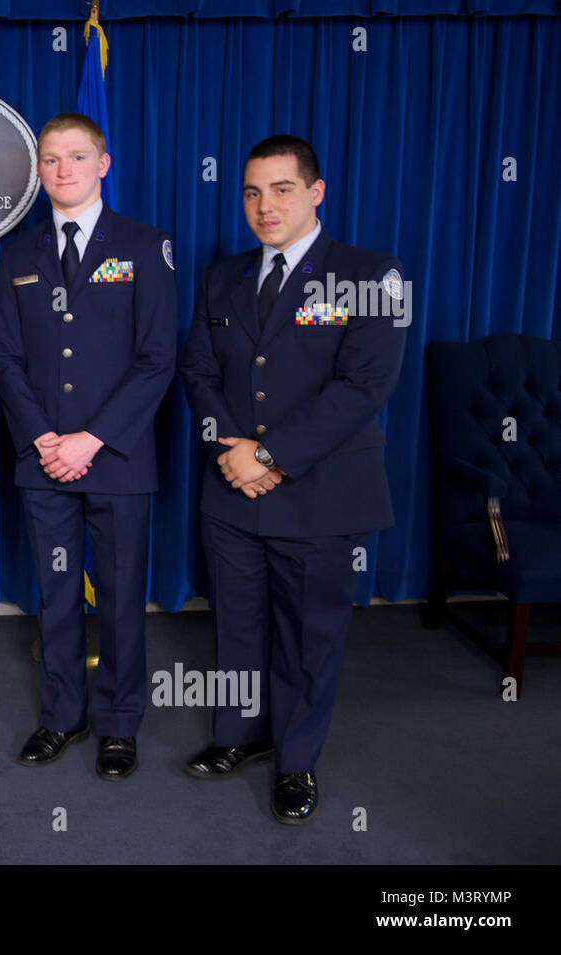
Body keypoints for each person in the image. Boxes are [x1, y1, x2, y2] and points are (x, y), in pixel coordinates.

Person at [180, 134, 406, 824]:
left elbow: (363, 387)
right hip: (231, 489)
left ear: (316, 191)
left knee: (310, 634)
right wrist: (232, 451)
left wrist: (268, 456)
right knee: (239, 625)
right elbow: (200, 373)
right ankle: (239, 734)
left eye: (281, 189)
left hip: (317, 493)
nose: (264, 205)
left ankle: (297, 760)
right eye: (251, 192)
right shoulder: (223, 276)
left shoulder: (372, 275)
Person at [0, 113, 177, 779]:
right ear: (39, 172)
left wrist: (91, 439)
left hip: (117, 457)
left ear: (104, 163)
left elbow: (158, 359)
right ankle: (61, 715)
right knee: (57, 591)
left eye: (76, 156)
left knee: (122, 595)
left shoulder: (145, 246)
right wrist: (45, 437)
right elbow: (5, 358)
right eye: (50, 159)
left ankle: (120, 722)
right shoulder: (19, 257)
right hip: (44, 460)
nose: (63, 169)